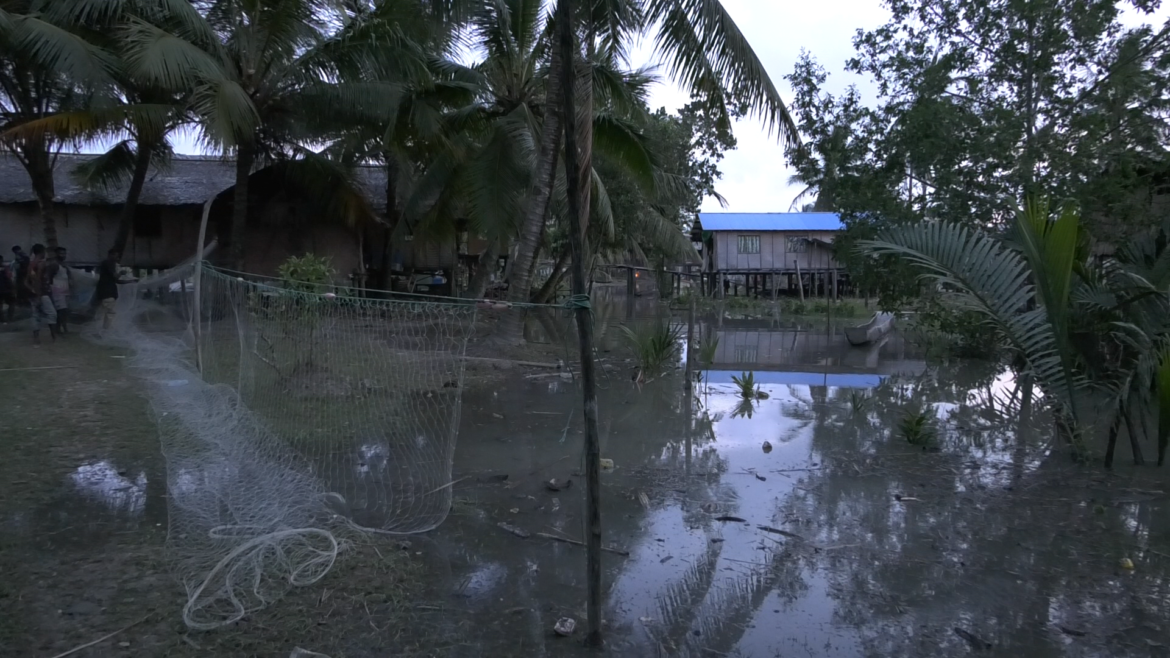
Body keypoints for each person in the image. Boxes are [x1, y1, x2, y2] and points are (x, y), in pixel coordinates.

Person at [95, 248, 135, 332]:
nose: (117, 258)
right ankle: (105, 330)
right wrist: (121, 273)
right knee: (109, 312)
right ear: (110, 255)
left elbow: (116, 280)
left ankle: (103, 329)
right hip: (107, 292)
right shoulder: (108, 263)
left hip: (107, 292)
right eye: (116, 256)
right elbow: (116, 277)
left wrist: (131, 281)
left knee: (106, 311)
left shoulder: (109, 264)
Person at [24, 244, 57, 345]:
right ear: (42, 251)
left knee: (35, 315)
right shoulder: (41, 264)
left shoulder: (31, 264)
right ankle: (53, 336)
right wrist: (38, 294)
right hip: (42, 293)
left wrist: (32, 290)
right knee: (52, 314)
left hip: (33, 293)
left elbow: (25, 281)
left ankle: (36, 338)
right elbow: (38, 280)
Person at [48, 246, 72, 335]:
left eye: (64, 253)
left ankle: (59, 329)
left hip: (64, 290)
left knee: (63, 311)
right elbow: (49, 277)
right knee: (62, 311)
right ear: (56, 254)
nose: (63, 255)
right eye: (61, 253)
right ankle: (63, 329)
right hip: (57, 291)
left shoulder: (63, 264)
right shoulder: (54, 264)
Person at [0, 255, 14, 323]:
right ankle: (10, 318)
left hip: (3, 290)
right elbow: (9, 278)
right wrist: (12, 288)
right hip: (7, 290)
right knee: (12, 303)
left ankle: (2, 320)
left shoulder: (5, 268)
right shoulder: (5, 268)